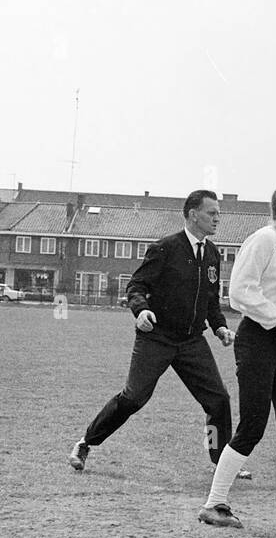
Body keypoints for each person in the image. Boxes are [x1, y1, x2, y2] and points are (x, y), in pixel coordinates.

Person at [68, 189, 248, 480]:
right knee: (133, 398)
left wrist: (220, 327)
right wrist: (141, 311)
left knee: (218, 401)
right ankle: (85, 443)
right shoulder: (165, 248)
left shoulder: (212, 253)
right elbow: (136, 286)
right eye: (211, 213)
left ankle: (220, 461)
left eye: (219, 213)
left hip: (191, 341)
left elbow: (210, 301)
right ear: (192, 214)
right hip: (157, 338)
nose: (218, 219)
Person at [198, 184, 276, 529]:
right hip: (258, 340)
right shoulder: (263, 240)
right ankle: (214, 503)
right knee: (253, 423)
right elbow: (239, 291)